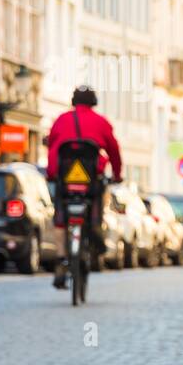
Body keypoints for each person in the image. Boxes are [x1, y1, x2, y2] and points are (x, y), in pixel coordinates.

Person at [45, 85, 122, 289]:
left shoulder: (61, 120)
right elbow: (114, 150)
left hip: (65, 181)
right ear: (93, 102)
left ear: (73, 101)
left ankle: (61, 260)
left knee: (60, 218)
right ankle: (96, 232)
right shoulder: (101, 122)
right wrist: (117, 175)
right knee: (96, 205)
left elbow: (53, 147)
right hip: (90, 184)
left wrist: (52, 174)